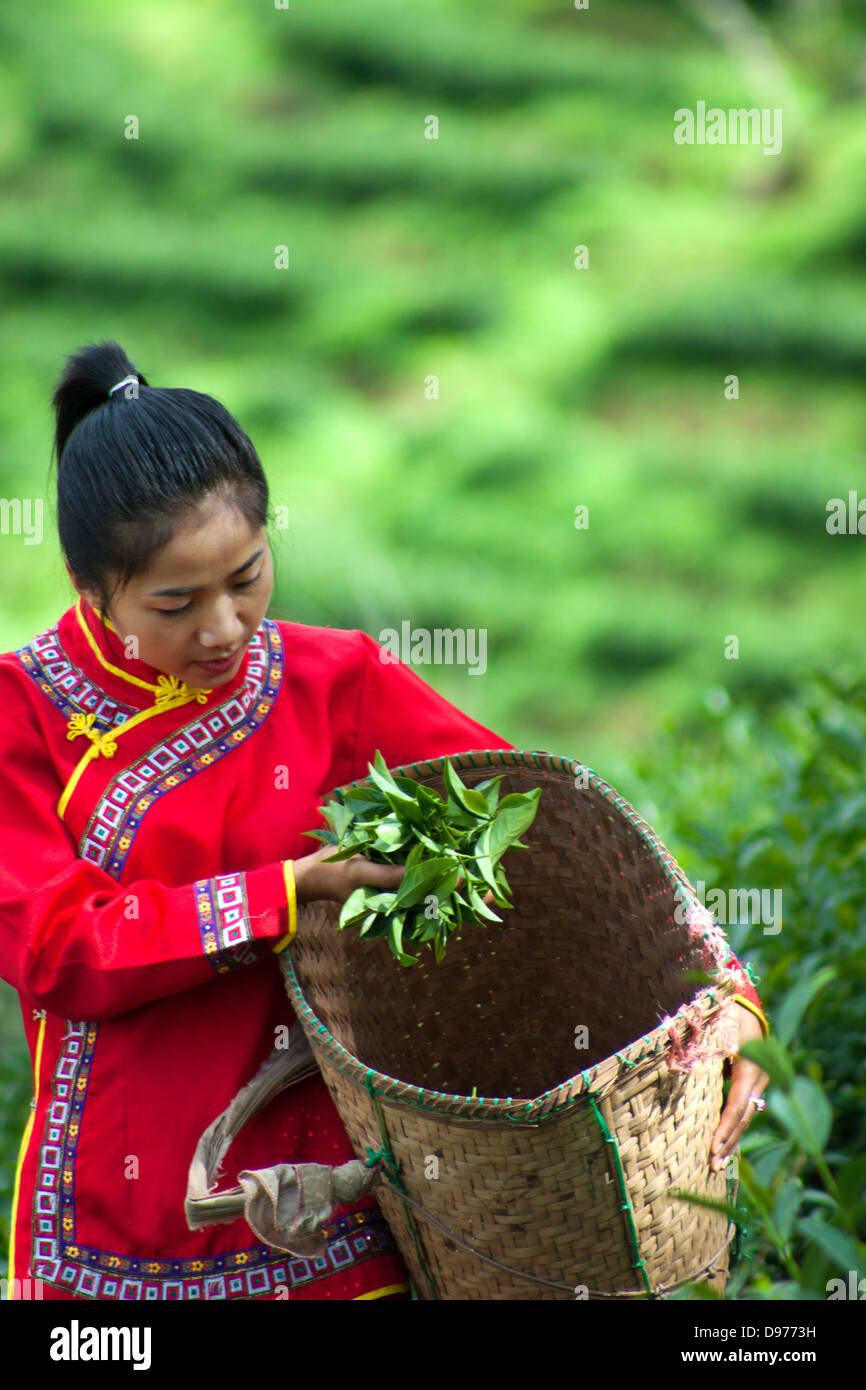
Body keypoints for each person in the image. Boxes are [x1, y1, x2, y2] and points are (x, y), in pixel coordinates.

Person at [0, 341, 768, 1302]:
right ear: (90, 590)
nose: (225, 629)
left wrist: (718, 994)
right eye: (175, 604)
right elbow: (62, 947)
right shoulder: (21, 715)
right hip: (118, 1227)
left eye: (246, 577)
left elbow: (550, 830)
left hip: (331, 1215)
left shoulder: (336, 683)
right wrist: (287, 891)